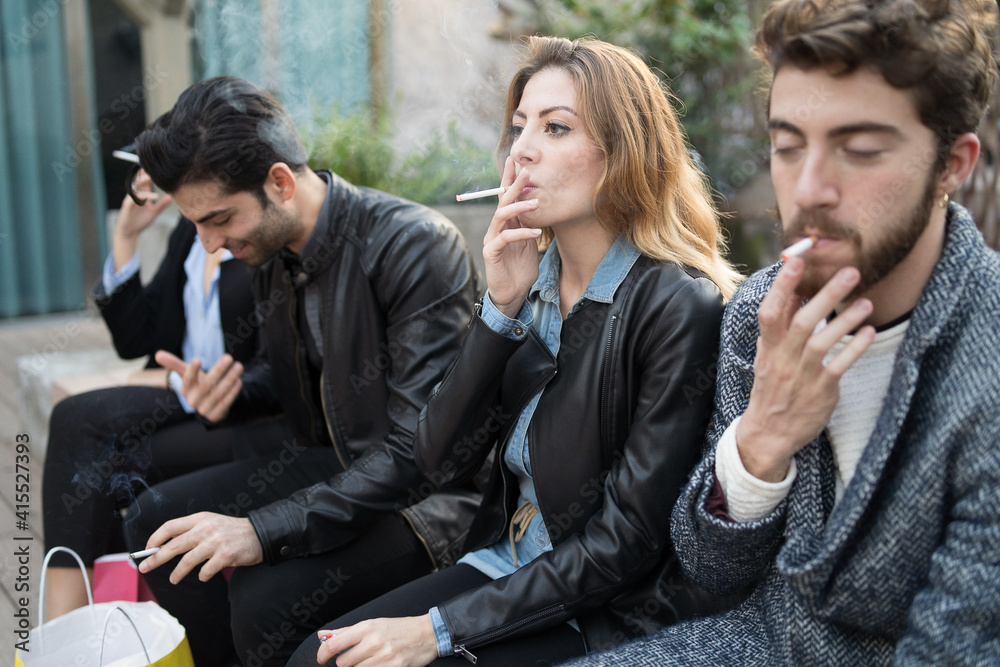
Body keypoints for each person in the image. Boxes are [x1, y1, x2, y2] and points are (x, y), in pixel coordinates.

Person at [286, 35, 745, 667]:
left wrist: (435, 631)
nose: (521, 149)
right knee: (315, 658)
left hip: (603, 608)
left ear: (624, 153)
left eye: (556, 128)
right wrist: (498, 311)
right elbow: (437, 458)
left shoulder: (674, 303)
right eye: (518, 126)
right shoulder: (531, 279)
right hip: (506, 561)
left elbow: (626, 541)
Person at [565, 1, 1000, 665]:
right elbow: (712, 571)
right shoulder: (763, 310)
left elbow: (954, 647)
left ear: (953, 164)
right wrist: (762, 440)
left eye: (860, 150)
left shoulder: (986, 351)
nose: (809, 189)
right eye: (788, 146)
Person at [120, 76, 481, 667]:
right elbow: (302, 384)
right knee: (155, 525)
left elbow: (421, 451)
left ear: (280, 183)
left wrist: (260, 531)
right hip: (340, 461)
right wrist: (235, 395)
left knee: (266, 598)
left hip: (428, 500)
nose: (208, 244)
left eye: (218, 218)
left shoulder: (414, 244)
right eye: (196, 225)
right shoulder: (273, 248)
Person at [41, 168, 290, 619]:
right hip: (183, 395)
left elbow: (274, 370)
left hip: (241, 411)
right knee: (78, 427)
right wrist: (126, 235)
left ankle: (73, 624)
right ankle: (72, 626)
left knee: (89, 444)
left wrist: (171, 381)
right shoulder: (190, 231)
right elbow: (137, 339)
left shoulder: (258, 233)